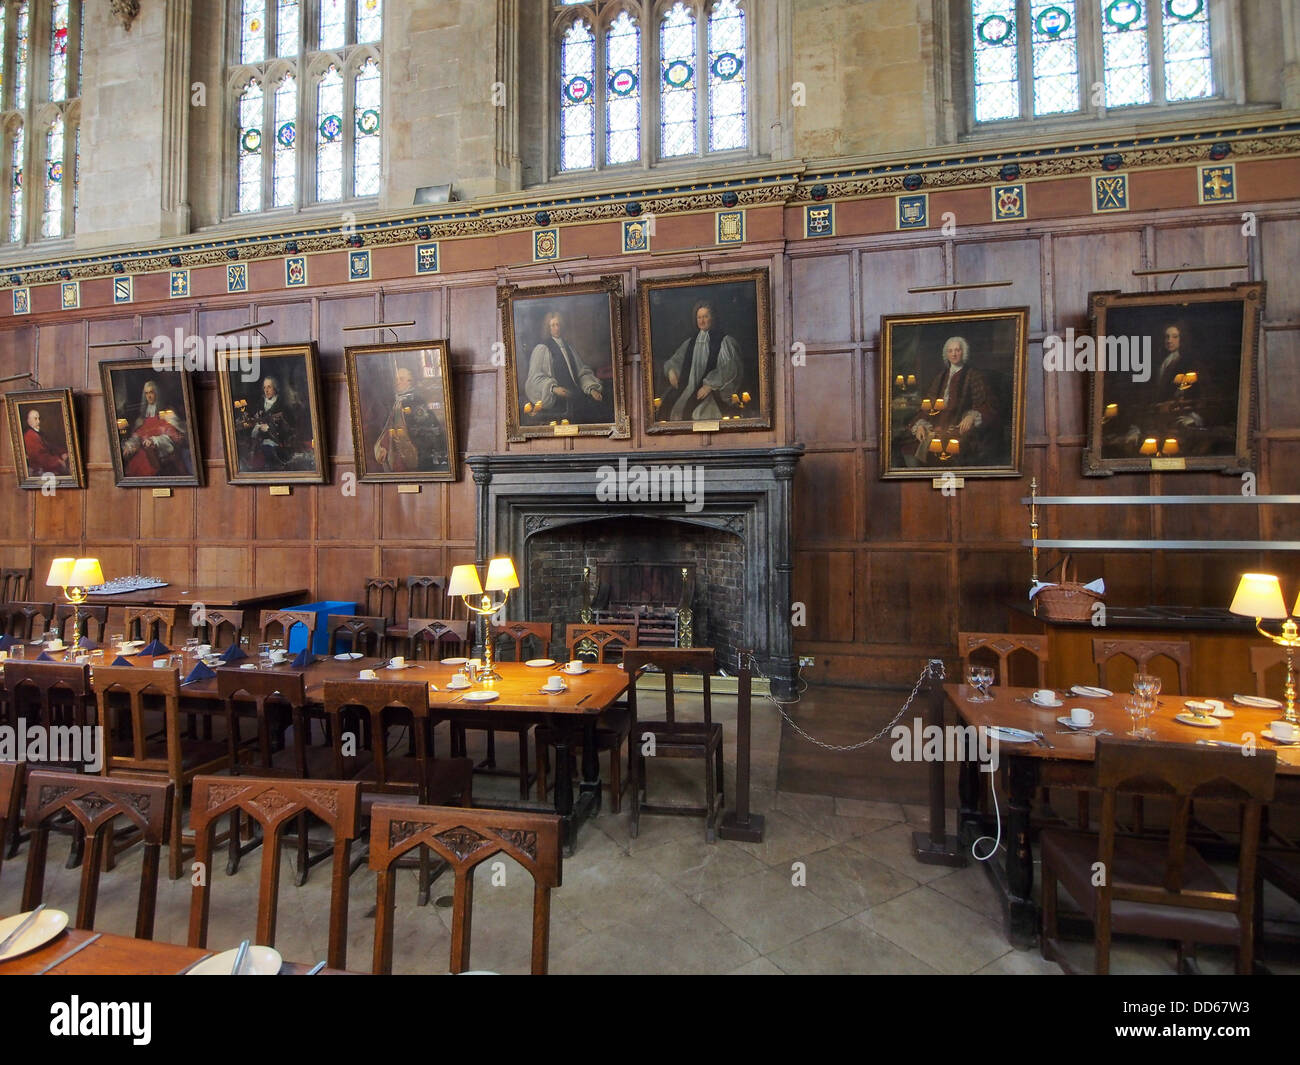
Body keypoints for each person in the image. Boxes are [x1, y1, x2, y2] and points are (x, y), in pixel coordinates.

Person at [906, 335, 1000, 466]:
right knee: (910, 443)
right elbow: (928, 405)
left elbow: (987, 404)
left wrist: (972, 416)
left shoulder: (974, 375)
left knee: (952, 447)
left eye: (957, 350)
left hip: (959, 426)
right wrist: (920, 424)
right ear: (946, 354)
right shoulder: (940, 377)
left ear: (964, 352)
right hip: (936, 425)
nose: (954, 354)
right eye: (950, 351)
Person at [660, 301, 744, 422]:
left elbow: (730, 368)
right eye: (699, 317)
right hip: (688, 388)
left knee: (699, 414)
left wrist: (710, 384)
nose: (702, 321)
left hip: (711, 391)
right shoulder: (690, 342)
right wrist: (671, 371)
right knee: (670, 410)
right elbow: (676, 360)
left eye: (705, 316)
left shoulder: (724, 341)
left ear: (713, 318)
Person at [524, 311, 609, 424]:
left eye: (558, 324)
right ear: (548, 328)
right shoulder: (542, 349)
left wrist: (591, 388)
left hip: (575, 397)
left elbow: (581, 372)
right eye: (552, 325)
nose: (556, 328)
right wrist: (553, 388)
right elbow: (534, 380)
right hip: (558, 403)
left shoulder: (569, 348)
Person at [373, 364, 449, 473]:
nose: (397, 382)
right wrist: (384, 446)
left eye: (401, 379)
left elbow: (428, 431)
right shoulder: (398, 402)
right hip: (399, 453)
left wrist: (416, 450)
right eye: (396, 379)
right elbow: (390, 426)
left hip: (417, 455)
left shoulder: (416, 401)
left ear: (410, 381)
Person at [120, 379, 189, 478]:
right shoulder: (142, 418)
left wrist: (154, 440)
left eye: (151, 392)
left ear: (156, 393)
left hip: (162, 451)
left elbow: (175, 438)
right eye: (146, 393)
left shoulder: (166, 413)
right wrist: (130, 445)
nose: (149, 396)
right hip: (145, 452)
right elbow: (137, 435)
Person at [239, 375, 301, 470]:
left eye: (269, 387)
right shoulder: (260, 403)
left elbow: (289, 430)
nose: (266, 390)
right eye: (264, 387)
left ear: (275, 388)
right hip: (259, 444)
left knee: (269, 456)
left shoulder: (283, 405)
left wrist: (269, 429)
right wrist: (254, 424)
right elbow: (254, 420)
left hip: (278, 446)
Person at [22, 408, 70, 476]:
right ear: (29, 421)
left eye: (39, 418)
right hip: (41, 468)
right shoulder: (29, 436)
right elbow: (39, 457)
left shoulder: (39, 433)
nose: (38, 421)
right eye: (35, 419)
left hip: (49, 462)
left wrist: (62, 452)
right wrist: (58, 461)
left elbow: (51, 446)